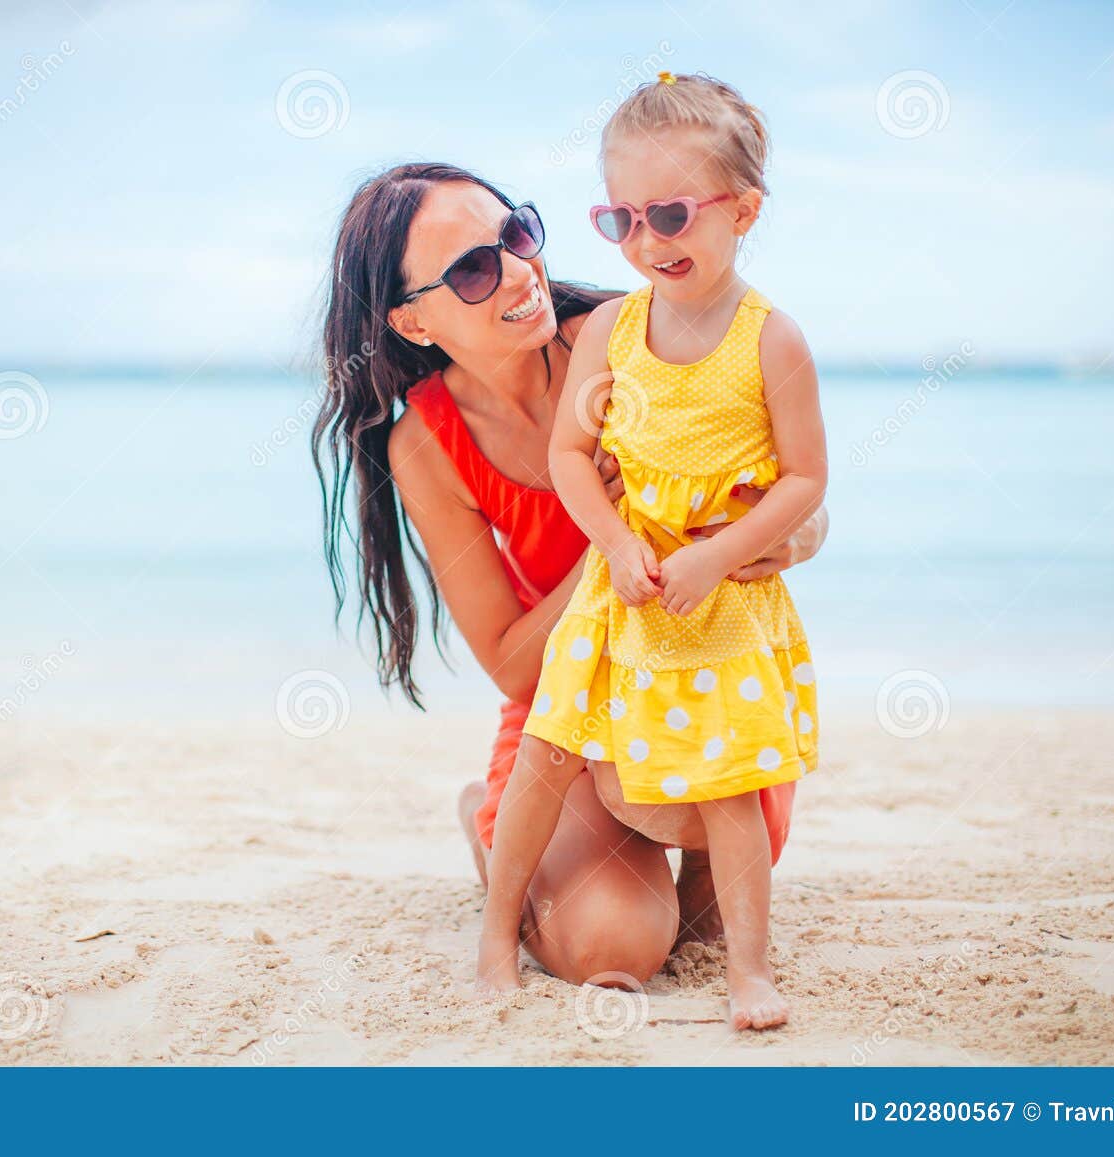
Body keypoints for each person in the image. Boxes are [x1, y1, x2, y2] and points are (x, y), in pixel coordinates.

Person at [312, 155, 828, 991]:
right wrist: (610, 539)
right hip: (571, 693)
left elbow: (790, 478)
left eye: (516, 233)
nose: (520, 271)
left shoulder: (637, 333)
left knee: (709, 907)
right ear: (411, 322)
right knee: (612, 949)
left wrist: (788, 538)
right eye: (474, 269)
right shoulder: (427, 446)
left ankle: (627, 854)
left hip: (700, 668)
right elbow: (515, 664)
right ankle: (496, 819)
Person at [475, 74, 826, 1032]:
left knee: (724, 788)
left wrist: (721, 556)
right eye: (618, 218)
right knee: (549, 753)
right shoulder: (618, 331)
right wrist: (618, 542)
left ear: (743, 211)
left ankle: (748, 970)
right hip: (620, 589)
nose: (644, 243)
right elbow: (570, 456)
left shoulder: (771, 340)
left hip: (717, 599)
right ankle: (496, 937)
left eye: (669, 214)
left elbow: (803, 481)